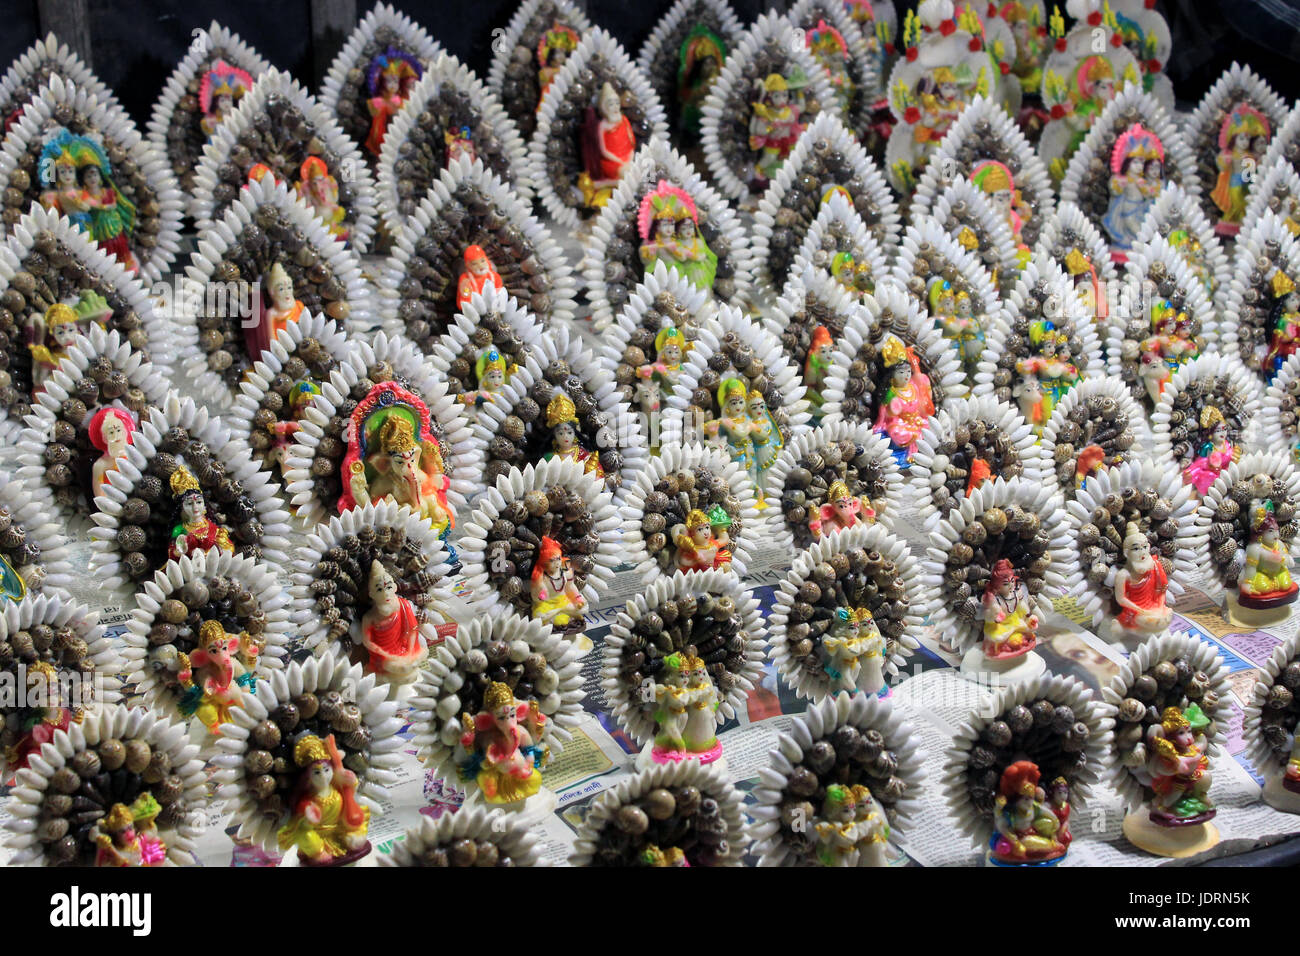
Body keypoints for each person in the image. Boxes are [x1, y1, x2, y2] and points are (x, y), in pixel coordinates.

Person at [277, 733, 371, 865]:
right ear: (308, 776)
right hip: (317, 835)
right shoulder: (308, 797)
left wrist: (350, 781)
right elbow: (301, 814)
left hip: (338, 830)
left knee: (360, 820)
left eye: (326, 770)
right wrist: (308, 812)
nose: (323, 776)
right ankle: (317, 853)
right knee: (306, 836)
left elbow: (350, 795)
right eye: (317, 772)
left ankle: (348, 841)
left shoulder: (336, 786)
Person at [458, 681, 548, 804]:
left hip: (520, 770)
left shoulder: (521, 732)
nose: (509, 722)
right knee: (487, 780)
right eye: (501, 718)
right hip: (498, 774)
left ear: (519, 713)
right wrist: (487, 762)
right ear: (489, 720)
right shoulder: (490, 738)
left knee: (535, 778)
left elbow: (529, 748)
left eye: (512, 715)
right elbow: (484, 758)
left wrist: (529, 761)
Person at [1103, 124, 1165, 257]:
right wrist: (1119, 185)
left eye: (1142, 164)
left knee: (1141, 230)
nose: (1139, 167)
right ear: (1127, 163)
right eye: (1136, 163)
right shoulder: (1124, 179)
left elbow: (1147, 192)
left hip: (1140, 210)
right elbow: (1114, 190)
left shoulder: (1140, 180)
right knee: (1136, 231)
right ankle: (1138, 244)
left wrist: (1153, 190)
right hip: (1127, 210)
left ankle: (1141, 247)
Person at [990, 761, 1070, 863]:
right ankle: (1053, 847)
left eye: (1031, 798)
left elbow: (1048, 814)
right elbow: (1001, 825)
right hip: (1021, 839)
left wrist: (1055, 824)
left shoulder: (1033, 806)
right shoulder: (1011, 813)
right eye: (1025, 799)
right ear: (1016, 800)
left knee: (1048, 823)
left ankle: (1052, 844)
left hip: (1035, 830)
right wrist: (1013, 840)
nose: (1029, 802)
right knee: (1029, 843)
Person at [359, 561, 426, 679]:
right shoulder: (369, 618)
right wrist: (385, 654)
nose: (386, 593)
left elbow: (412, 630)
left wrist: (410, 652)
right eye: (380, 590)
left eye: (388, 587)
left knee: (413, 662)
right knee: (392, 668)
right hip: (383, 658)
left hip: (405, 651)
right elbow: (368, 642)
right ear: (372, 594)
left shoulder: (404, 606)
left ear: (395, 587)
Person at [1211, 104, 1270, 233]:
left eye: (1247, 139)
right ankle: (1231, 226)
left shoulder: (1249, 156)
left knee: (1243, 206)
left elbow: (1250, 175)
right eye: (1241, 138)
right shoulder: (1230, 154)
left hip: (1246, 185)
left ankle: (1242, 226)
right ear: (1234, 139)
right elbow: (1222, 166)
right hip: (1234, 184)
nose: (1244, 142)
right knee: (1235, 205)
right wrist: (1226, 161)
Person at [874, 334, 933, 460]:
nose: (906, 376)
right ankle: (911, 455)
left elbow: (923, 401)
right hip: (898, 423)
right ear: (892, 375)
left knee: (931, 427)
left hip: (916, 421)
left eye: (908, 371)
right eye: (901, 372)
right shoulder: (891, 392)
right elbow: (888, 416)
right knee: (899, 433)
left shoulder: (913, 386)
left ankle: (920, 452)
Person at [1112, 522, 1172, 635]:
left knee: (1165, 617)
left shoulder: (1155, 565)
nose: (1142, 552)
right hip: (1134, 611)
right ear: (1126, 553)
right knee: (1125, 627)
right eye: (1136, 549)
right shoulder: (1123, 575)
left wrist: (1159, 606)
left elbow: (1162, 590)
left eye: (1144, 547)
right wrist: (1141, 610)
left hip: (1154, 608)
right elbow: (1121, 599)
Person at [364, 47, 421, 156]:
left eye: (395, 80)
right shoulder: (377, 102)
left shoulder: (402, 101)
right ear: (382, 82)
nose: (392, 85)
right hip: (382, 144)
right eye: (389, 81)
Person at [168, 465, 234, 560]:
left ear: (204, 504)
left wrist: (219, 549)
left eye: (199, 502)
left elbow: (229, 550)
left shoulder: (215, 530)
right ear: (182, 508)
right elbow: (173, 555)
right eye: (189, 503)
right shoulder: (179, 531)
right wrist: (179, 551)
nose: (195, 507)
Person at [749, 73, 805, 186]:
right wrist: (769, 127)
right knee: (770, 158)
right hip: (773, 142)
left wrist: (799, 92)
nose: (782, 100)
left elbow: (802, 107)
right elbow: (757, 130)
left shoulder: (790, 110)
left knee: (793, 158)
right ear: (770, 97)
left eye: (784, 95)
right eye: (776, 96)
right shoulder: (767, 113)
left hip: (789, 141)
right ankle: (758, 171)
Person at [981, 558, 1039, 660]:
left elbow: (1021, 607)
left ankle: (1020, 640)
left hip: (1014, 619)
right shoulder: (995, 599)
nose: (1011, 585)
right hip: (1000, 625)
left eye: (1012, 581)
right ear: (997, 586)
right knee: (999, 637)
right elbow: (988, 616)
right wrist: (994, 613)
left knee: (1028, 625)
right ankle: (999, 647)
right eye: (1005, 584)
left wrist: (1027, 614)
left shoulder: (1016, 594)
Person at [676, 24, 725, 138]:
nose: (711, 67)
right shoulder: (695, 83)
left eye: (713, 63)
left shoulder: (718, 80)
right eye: (707, 64)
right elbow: (687, 99)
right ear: (699, 66)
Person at [530, 536, 585, 629]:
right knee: (539, 615)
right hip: (548, 605)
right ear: (544, 562)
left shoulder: (566, 572)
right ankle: (559, 614)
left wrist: (577, 598)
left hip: (563, 600)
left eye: (558, 559)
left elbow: (570, 587)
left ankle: (561, 613)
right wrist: (541, 596)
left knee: (583, 607)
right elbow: (536, 596)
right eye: (552, 560)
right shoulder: (541, 577)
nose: (557, 563)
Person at [1184, 405, 1235, 495]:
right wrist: (1192, 472)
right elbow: (1199, 463)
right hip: (1210, 476)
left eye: (1224, 429)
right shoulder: (1208, 447)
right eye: (1218, 431)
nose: (1222, 433)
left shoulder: (1226, 444)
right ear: (1210, 433)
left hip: (1225, 475)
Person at [295, 156, 348, 241]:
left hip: (330, 219)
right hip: (317, 221)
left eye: (321, 181)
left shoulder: (328, 185)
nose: (319, 187)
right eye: (315, 183)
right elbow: (307, 206)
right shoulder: (307, 189)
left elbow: (334, 199)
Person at [198, 60, 253, 137]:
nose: (227, 103)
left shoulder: (236, 116)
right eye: (222, 100)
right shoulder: (214, 119)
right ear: (216, 102)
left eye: (229, 100)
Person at [456, 245, 504, 310]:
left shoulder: (495, 276)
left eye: (482, 261)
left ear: (487, 260)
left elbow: (500, 295)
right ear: (468, 265)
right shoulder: (465, 279)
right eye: (474, 264)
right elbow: (463, 303)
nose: (480, 266)